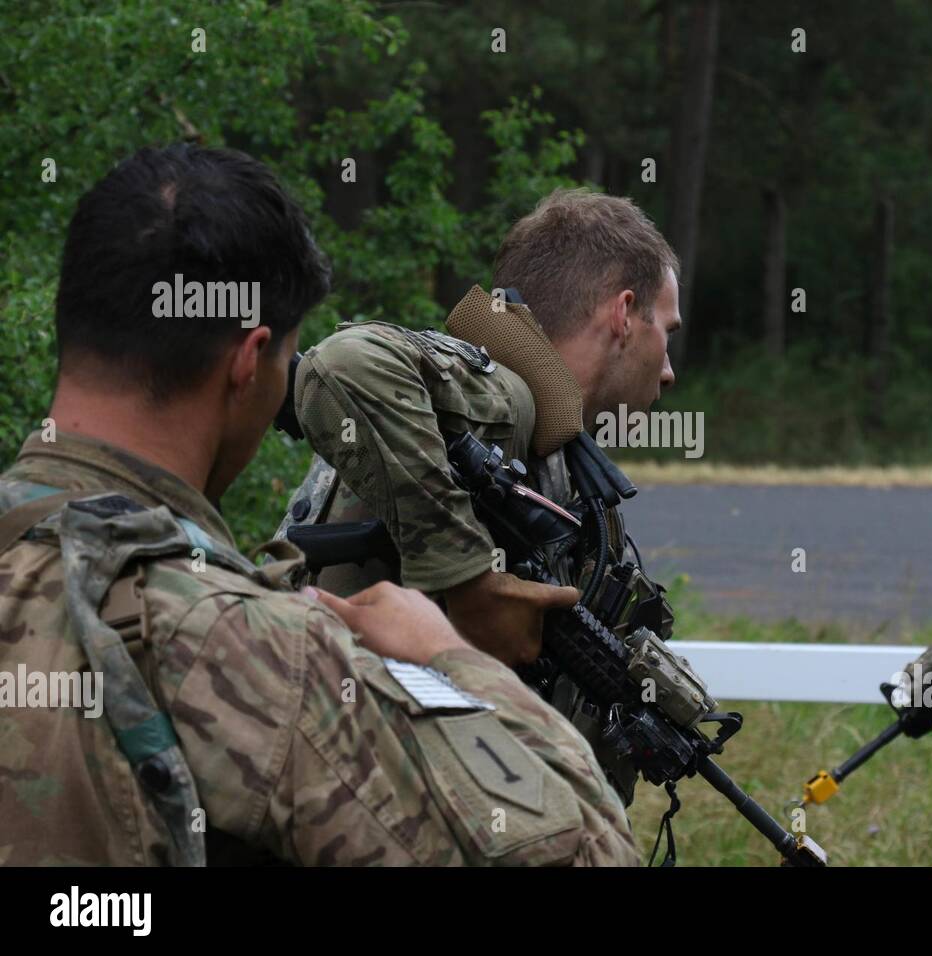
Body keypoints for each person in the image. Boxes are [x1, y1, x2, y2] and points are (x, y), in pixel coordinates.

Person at [0, 145, 638, 866]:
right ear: (250, 360)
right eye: (287, 362)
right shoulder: (254, 653)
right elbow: (588, 853)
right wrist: (452, 655)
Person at [284, 188, 682, 804]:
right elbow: (344, 361)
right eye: (668, 332)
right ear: (624, 314)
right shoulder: (505, 398)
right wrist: (469, 580)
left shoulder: (555, 455)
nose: (668, 371)